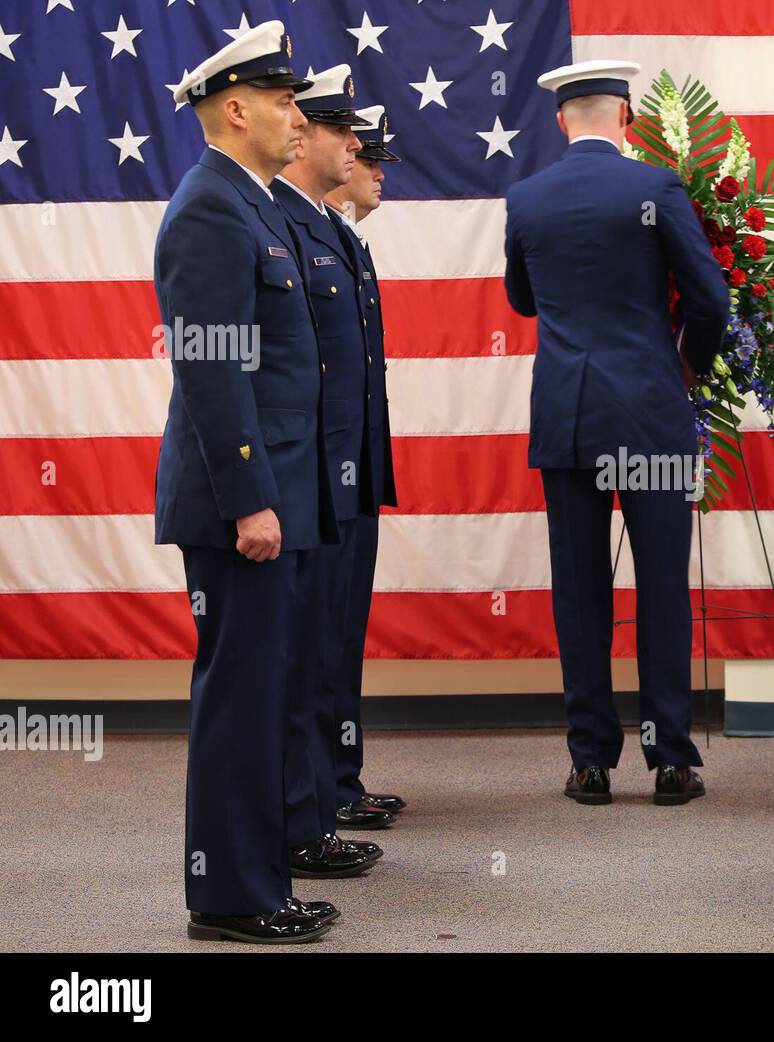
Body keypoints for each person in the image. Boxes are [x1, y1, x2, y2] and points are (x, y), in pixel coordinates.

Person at [155, 20, 339, 943]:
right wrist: (250, 499)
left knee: (268, 695)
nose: (296, 116)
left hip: (281, 494)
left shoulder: (255, 202)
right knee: (239, 701)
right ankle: (230, 897)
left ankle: (262, 882)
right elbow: (210, 367)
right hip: (245, 502)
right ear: (235, 108)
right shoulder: (209, 206)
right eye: (281, 100)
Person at [503, 60, 728, 805]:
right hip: (651, 417)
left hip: (567, 416)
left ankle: (591, 759)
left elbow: (523, 300)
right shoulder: (656, 188)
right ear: (627, 117)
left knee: (579, 589)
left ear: (562, 120)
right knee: (663, 584)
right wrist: (686, 367)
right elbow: (709, 299)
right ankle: (670, 758)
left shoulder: (527, 198)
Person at [271, 66, 393, 882]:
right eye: (339, 129)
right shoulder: (277, 222)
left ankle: (326, 796)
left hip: (344, 473)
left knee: (334, 644)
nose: (355, 146)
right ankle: (311, 811)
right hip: (312, 477)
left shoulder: (332, 231)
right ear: (301, 136)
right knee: (308, 655)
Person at [322, 105, 404, 829]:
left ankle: (341, 780)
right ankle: (329, 790)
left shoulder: (346, 244)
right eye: (368, 155)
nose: (376, 169)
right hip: (323, 478)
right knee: (323, 638)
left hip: (354, 473)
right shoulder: (315, 236)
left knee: (344, 633)